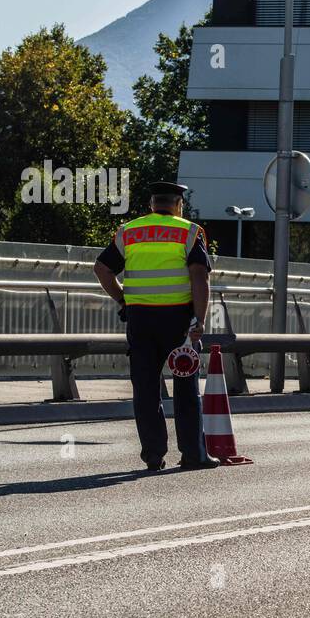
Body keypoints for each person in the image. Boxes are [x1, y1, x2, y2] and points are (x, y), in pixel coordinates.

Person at [93, 181, 219, 472]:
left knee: (146, 390)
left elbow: (102, 268)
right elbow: (199, 277)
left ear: (151, 204)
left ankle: (153, 454)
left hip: (141, 321)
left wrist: (123, 299)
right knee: (186, 390)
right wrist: (199, 320)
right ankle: (193, 454)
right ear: (178, 205)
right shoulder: (189, 232)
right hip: (179, 323)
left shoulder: (129, 231)